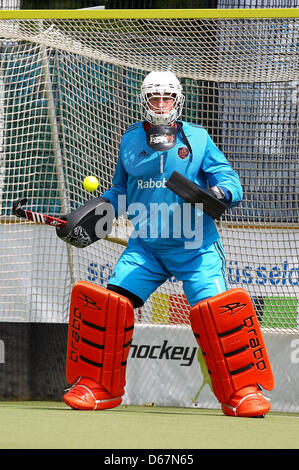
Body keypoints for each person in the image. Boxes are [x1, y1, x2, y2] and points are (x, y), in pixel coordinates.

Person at [61, 71, 274, 417]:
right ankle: (97, 387)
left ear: (178, 100)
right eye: (154, 97)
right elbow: (120, 192)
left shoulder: (199, 138)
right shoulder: (130, 139)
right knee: (111, 305)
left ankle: (242, 391)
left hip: (196, 249)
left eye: (167, 97)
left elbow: (230, 181)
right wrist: (92, 215)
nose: (161, 104)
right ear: (144, 100)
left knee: (219, 317)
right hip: (146, 248)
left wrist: (219, 193)